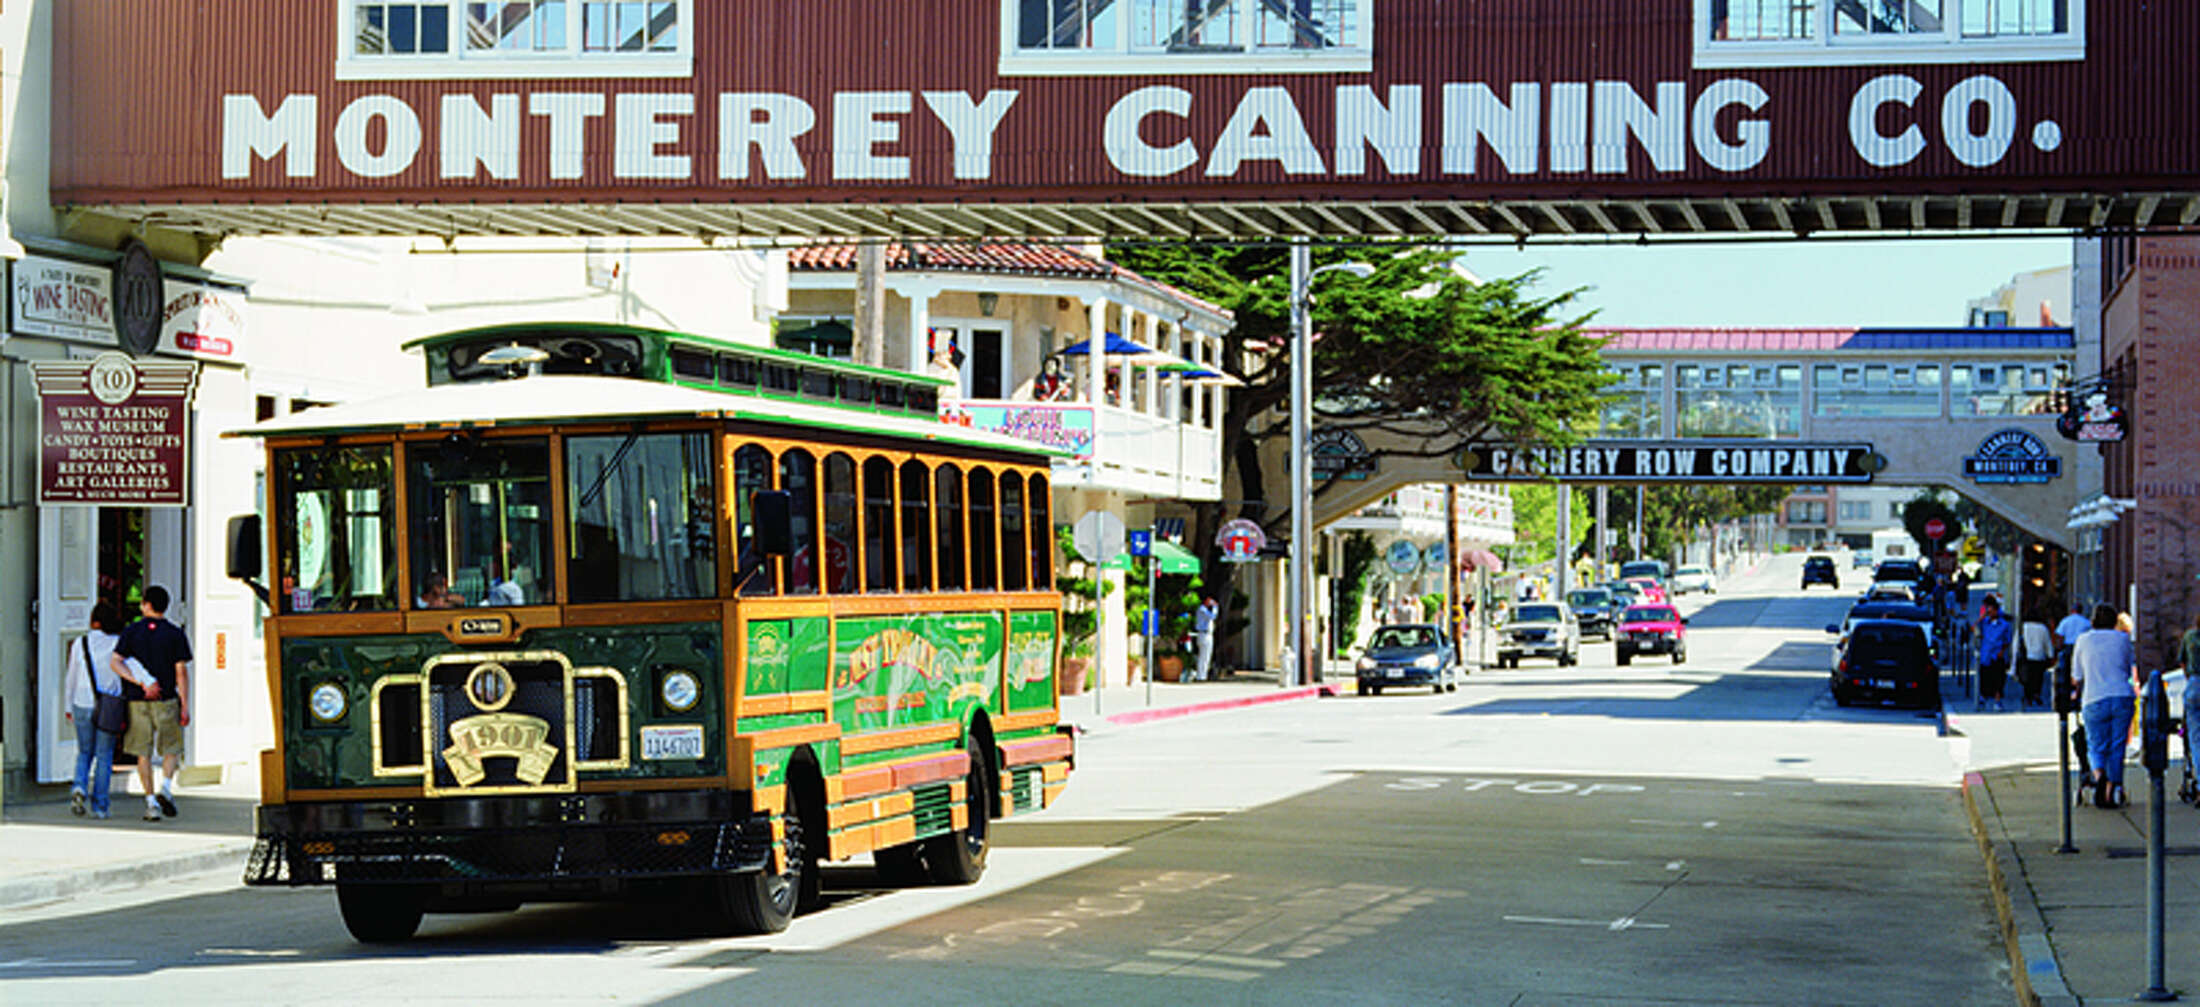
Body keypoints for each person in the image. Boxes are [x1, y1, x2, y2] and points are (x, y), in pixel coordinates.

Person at [109, 586, 191, 821]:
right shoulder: (175, 634)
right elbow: (181, 672)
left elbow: (116, 662)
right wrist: (184, 705)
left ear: (145, 604)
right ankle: (166, 786)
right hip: (166, 699)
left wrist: (140, 682)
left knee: (142, 753)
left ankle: (150, 802)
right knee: (171, 748)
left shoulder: (132, 631)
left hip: (138, 700)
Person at [63, 603, 125, 819]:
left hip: (81, 702)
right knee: (104, 755)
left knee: (84, 751)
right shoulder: (117, 643)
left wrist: (67, 705)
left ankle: (79, 787)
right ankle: (100, 806)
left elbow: (70, 677)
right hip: (107, 705)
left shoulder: (80, 643)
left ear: (93, 621)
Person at [2073, 603, 2138, 807]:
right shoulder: (2123, 639)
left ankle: (2099, 774)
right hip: (2121, 695)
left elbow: (2076, 676)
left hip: (2094, 697)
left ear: (2093, 621)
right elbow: (2128, 670)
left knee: (2095, 745)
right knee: (2117, 745)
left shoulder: (2083, 640)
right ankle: (2111, 789)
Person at [1975, 594, 2012, 710]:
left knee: (1998, 679)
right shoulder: (1985, 623)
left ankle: (1997, 700)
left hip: (1997, 654)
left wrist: (2002, 651)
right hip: (1986, 654)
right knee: (1985, 677)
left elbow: (2007, 640)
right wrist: (1982, 616)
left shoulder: (2004, 625)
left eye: (1991, 611)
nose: (1989, 613)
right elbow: (1974, 628)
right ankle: (1983, 698)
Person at [2017, 605, 2055, 708]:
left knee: (2027, 678)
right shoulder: (2043, 628)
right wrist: (2051, 655)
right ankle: (2037, 694)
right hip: (2039, 657)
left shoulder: (2024, 627)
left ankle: (2028, 697)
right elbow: (2047, 643)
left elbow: (2018, 642)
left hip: (2027, 657)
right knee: (2038, 678)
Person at [1191, 596, 1218, 682]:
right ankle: (1201, 676)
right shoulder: (1202, 609)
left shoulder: (1203, 610)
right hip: (1204, 634)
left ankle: (1203, 675)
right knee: (1204, 656)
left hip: (1207, 634)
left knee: (1206, 656)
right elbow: (1212, 616)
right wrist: (1215, 607)